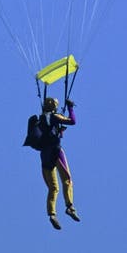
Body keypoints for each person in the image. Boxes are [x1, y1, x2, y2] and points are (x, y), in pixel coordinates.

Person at [39, 97, 81, 230]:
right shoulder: (55, 116)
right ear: (54, 107)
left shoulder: (40, 119)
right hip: (56, 152)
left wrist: (58, 130)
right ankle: (70, 207)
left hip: (44, 155)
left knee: (53, 188)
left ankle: (52, 215)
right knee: (67, 179)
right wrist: (70, 107)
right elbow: (72, 121)